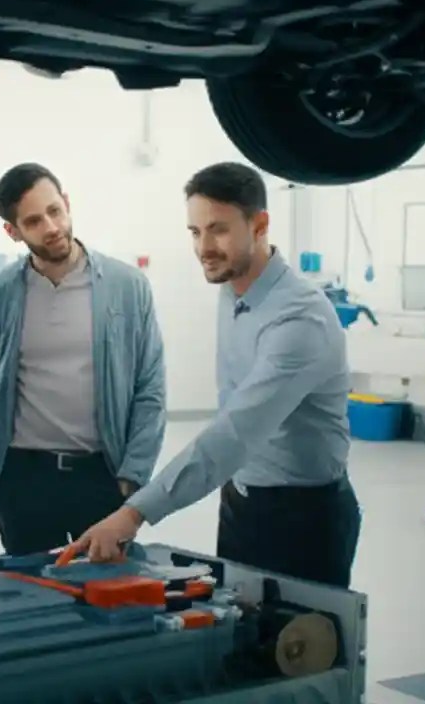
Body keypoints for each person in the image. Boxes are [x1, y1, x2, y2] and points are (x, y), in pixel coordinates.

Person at [70, 162, 362, 589]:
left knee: (298, 649)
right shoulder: (234, 287)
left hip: (304, 518)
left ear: (259, 225)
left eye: (218, 229)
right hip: (242, 501)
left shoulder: (300, 320)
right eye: (195, 231)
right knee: (237, 638)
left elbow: (234, 434)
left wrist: (133, 513)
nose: (204, 246)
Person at [0, 163, 165, 555]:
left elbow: (150, 387)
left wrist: (133, 476)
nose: (51, 226)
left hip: (102, 476)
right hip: (24, 479)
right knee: (30, 597)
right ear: (13, 231)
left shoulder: (127, 287)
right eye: (33, 220)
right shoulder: (0, 295)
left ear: (66, 203)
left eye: (55, 210)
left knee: (111, 598)